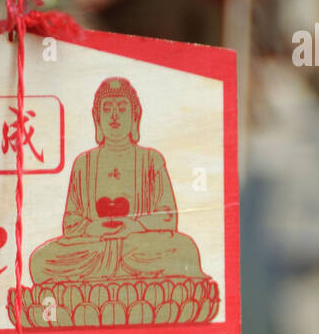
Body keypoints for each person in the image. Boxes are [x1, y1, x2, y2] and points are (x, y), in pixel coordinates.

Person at [28, 77, 207, 287]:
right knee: (41, 260)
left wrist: (135, 225)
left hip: (138, 248)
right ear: (97, 117)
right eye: (107, 108)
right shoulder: (84, 164)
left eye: (122, 108)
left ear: (135, 116)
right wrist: (92, 228)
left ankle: (101, 283)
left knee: (183, 249)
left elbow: (168, 217)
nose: (114, 116)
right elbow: (70, 222)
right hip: (93, 250)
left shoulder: (150, 160)